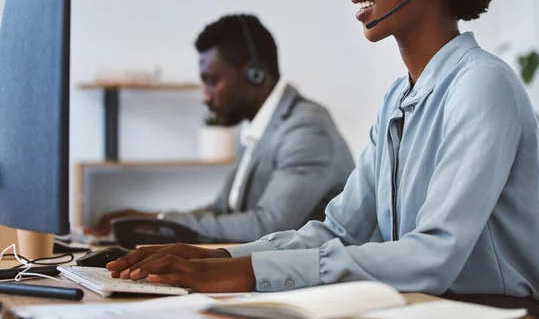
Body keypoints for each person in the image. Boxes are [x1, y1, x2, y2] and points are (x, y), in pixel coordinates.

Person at [107, 0, 539, 315]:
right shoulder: (400, 99)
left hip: (487, 311)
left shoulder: (482, 85)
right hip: (420, 305)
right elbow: (337, 231)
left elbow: (433, 255)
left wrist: (249, 273)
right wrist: (217, 256)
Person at [85, 13, 355, 243]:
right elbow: (223, 211)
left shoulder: (305, 128)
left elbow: (269, 227)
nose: (205, 96)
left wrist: (163, 223)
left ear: (255, 75)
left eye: (212, 81)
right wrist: (150, 222)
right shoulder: (258, 127)